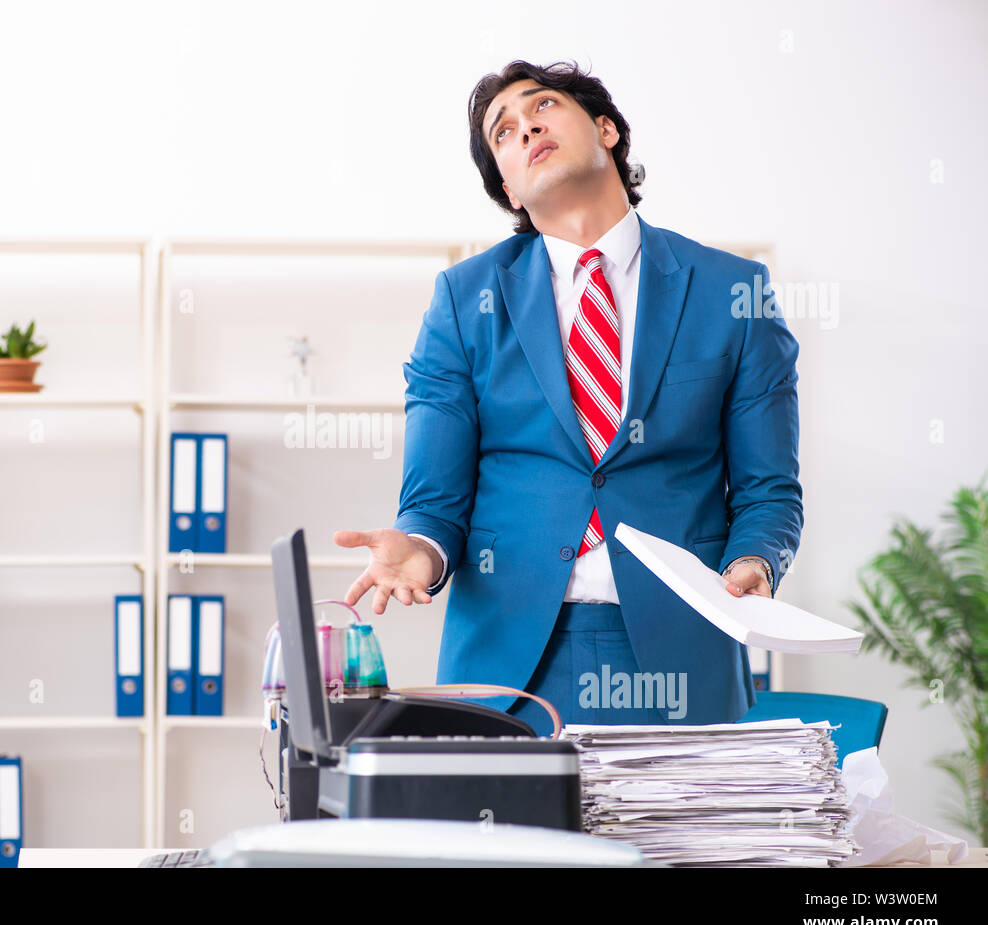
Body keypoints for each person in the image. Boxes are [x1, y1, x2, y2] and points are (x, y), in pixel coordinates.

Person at [335, 60, 802, 731]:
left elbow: (769, 491)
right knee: (513, 839)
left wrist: (754, 560)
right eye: (504, 133)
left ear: (606, 129)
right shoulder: (465, 301)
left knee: (678, 842)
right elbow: (435, 500)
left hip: (684, 656)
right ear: (509, 189)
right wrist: (422, 552)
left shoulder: (734, 291)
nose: (525, 129)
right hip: (510, 664)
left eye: (542, 107)